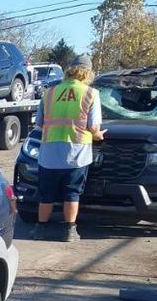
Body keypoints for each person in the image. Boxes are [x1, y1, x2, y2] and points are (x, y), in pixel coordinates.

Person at [32, 54, 106, 242]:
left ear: (69, 70)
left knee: (46, 195)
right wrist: (99, 136)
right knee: (72, 193)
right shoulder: (91, 94)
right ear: (88, 73)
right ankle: (69, 232)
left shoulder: (49, 93)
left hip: (49, 153)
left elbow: (39, 124)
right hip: (76, 153)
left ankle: (40, 230)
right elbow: (93, 127)